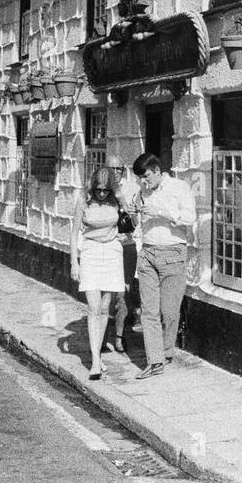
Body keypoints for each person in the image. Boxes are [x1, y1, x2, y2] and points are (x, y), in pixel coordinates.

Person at [129, 153, 197, 379]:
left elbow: (190, 218)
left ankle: (166, 351)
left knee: (168, 312)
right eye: (140, 178)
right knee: (148, 311)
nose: (143, 182)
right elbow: (137, 223)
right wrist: (133, 215)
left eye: (146, 176)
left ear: (158, 171)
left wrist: (160, 212)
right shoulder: (141, 192)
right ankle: (155, 360)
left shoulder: (179, 187)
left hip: (173, 254)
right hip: (148, 254)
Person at [70, 167, 126, 380]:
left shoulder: (115, 200)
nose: (101, 193)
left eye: (105, 189)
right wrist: (74, 263)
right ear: (92, 186)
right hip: (91, 251)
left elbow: (133, 217)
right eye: (98, 189)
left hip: (112, 252)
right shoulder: (84, 200)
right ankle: (95, 360)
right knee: (93, 307)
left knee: (104, 308)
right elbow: (74, 233)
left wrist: (119, 194)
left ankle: (97, 354)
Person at [104, 158, 140, 354]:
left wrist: (131, 212)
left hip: (126, 246)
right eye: (112, 168)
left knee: (123, 293)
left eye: (119, 168)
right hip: (106, 247)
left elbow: (136, 221)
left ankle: (119, 337)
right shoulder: (100, 190)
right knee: (105, 293)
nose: (116, 172)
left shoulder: (132, 190)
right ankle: (101, 337)